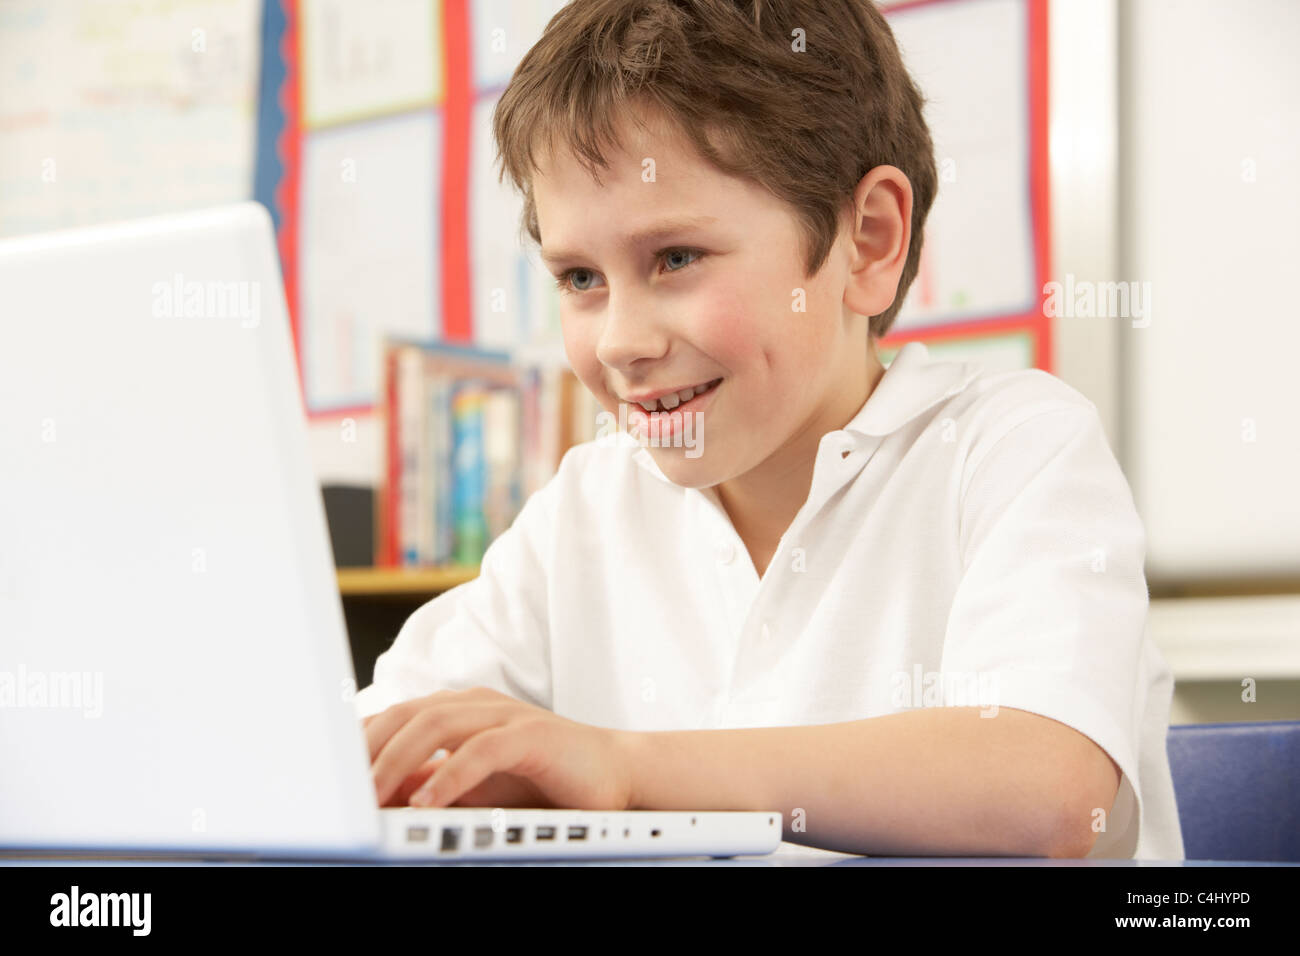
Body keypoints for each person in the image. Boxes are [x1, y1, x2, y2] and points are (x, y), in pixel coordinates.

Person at [357, 0, 1183, 859]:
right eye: (579, 277)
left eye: (675, 258)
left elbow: (1046, 791)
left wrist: (623, 769)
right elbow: (367, 748)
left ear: (867, 242)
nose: (621, 342)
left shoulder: (1010, 449)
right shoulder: (586, 510)